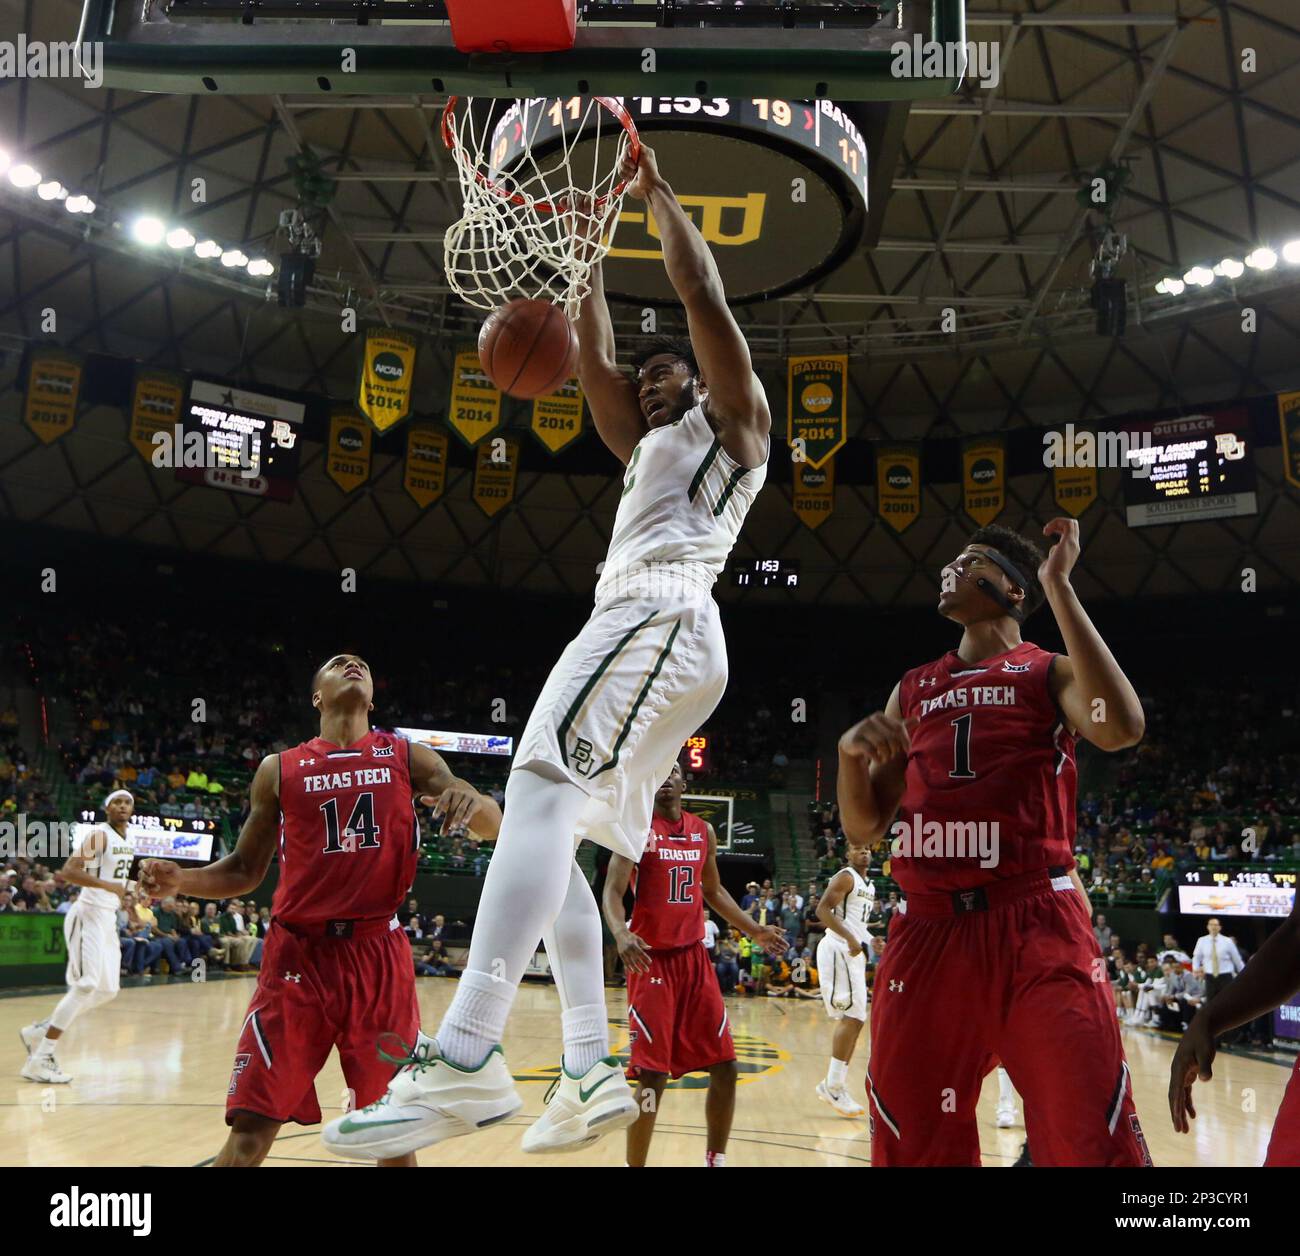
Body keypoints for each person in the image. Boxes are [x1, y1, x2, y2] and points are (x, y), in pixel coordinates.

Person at [326, 142, 770, 1158]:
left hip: (658, 616)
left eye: (669, 377)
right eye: (647, 383)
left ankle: (471, 1050)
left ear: (697, 381)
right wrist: (585, 261)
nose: (651, 389)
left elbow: (700, 291)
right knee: (553, 827)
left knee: (532, 780)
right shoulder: (648, 445)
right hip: (649, 633)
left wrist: (657, 202)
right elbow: (599, 368)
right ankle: (585, 1064)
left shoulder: (734, 423)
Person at [838, 518, 1151, 1166]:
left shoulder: (1046, 672)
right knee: (912, 1135)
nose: (951, 568)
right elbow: (866, 827)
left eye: (972, 559)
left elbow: (1119, 726)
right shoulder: (914, 687)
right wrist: (847, 757)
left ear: (1012, 590)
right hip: (926, 933)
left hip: (1032, 921)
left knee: (1086, 1132)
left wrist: (1058, 586)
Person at [140, 654, 501, 1168]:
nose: (352, 663)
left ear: (372, 698)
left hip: (379, 959)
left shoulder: (406, 757)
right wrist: (183, 880)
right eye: (338, 663)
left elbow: (494, 825)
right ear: (317, 696)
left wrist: (471, 797)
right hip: (297, 960)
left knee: (394, 1137)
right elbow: (245, 868)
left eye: (362, 664)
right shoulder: (279, 769)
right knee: (250, 1134)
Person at [600, 763, 784, 1167]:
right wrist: (621, 932)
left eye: (674, 771)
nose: (665, 776)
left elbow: (714, 891)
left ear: (685, 783)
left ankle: (715, 1158)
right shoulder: (634, 828)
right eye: (659, 770)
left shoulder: (704, 831)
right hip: (652, 963)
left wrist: (755, 930)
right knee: (652, 1077)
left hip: (694, 959)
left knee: (727, 1066)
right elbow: (612, 892)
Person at [1170, 888, 1300, 1164]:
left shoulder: (1228, 944)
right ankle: (1228, 1038)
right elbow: (1296, 938)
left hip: (1227, 975)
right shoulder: (1203, 943)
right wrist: (1209, 1019)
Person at [21, 790, 136, 1084]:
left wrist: (130, 898)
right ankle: (40, 1058)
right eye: (117, 802)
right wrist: (109, 886)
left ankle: (41, 1029)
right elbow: (70, 871)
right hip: (88, 914)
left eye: (127, 803)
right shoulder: (100, 834)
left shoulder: (129, 839)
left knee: (108, 989)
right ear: (107, 808)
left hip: (108, 917)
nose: (123, 806)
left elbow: (121, 881)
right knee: (86, 984)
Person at [813, 844, 876, 1118]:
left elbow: (858, 924)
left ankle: (834, 1084)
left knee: (857, 1018)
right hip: (839, 948)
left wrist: (872, 941)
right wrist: (851, 939)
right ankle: (833, 1085)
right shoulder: (846, 876)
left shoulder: (869, 884)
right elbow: (822, 910)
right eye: (857, 849)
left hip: (853, 950)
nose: (864, 852)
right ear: (847, 854)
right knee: (851, 1017)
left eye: (867, 849)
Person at [1191, 917, 1244, 1044]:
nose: (1214, 927)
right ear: (1207, 927)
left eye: (1216, 925)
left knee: (1227, 1007)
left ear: (1220, 927)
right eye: (1211, 925)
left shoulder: (1227, 942)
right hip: (1210, 977)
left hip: (1225, 977)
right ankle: (1215, 1039)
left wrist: (1243, 974)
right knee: (1212, 1008)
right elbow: (1196, 957)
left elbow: (1237, 959)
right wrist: (1195, 969)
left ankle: (1231, 1037)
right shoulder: (1202, 941)